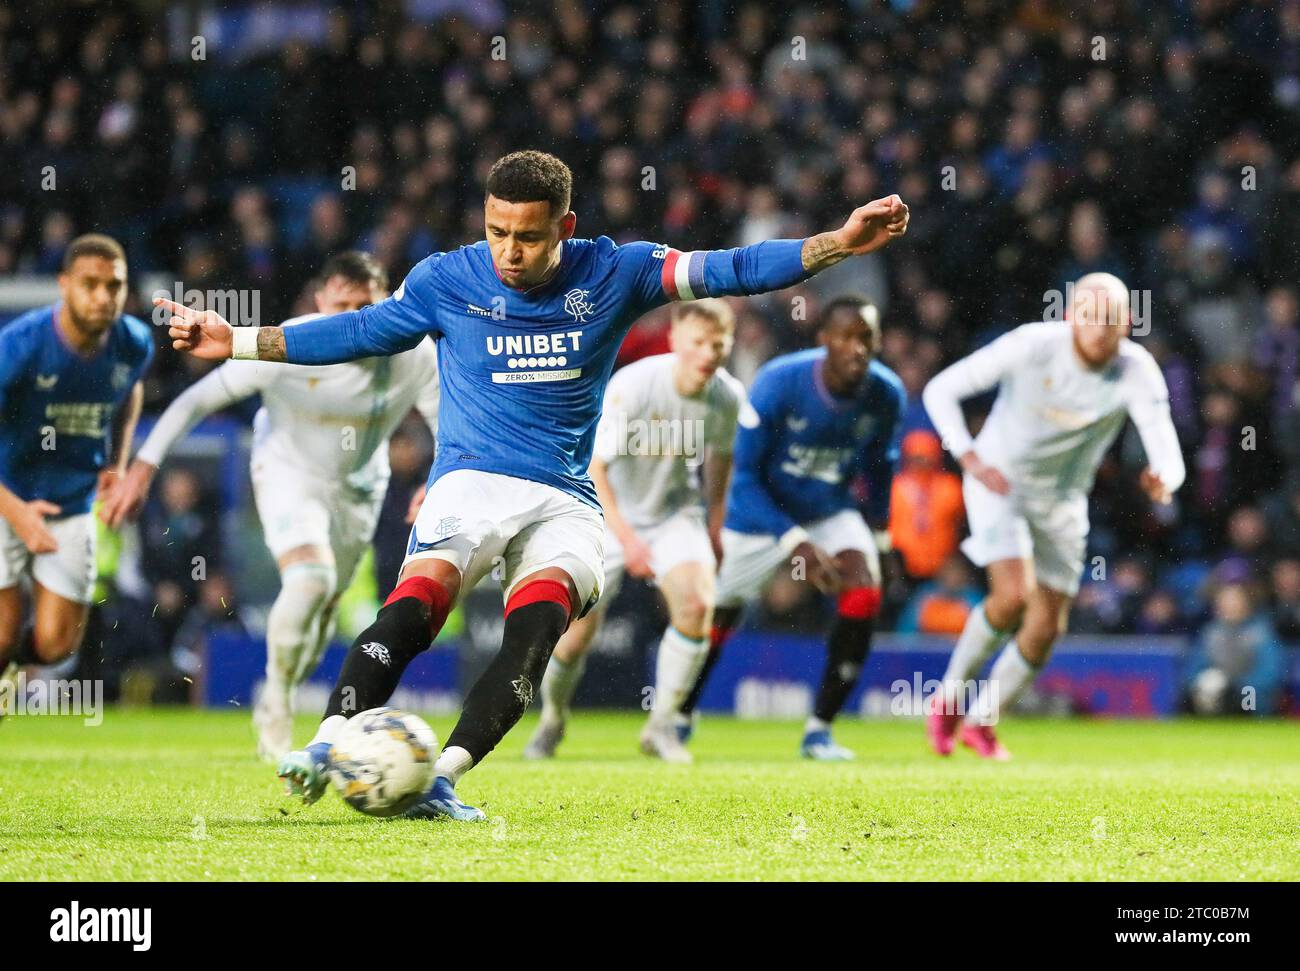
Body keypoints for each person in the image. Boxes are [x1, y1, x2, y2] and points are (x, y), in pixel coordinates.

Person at [160, 150, 909, 820]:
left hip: (565, 498)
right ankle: (326, 741)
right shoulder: (446, 279)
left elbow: (733, 268)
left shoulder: (619, 270)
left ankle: (444, 775)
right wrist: (241, 338)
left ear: (565, 225)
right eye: (497, 232)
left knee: (534, 634)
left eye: (528, 235)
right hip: (469, 480)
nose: (509, 253)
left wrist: (836, 244)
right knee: (417, 606)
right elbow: (362, 331)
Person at [101, 252, 439, 760]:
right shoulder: (291, 343)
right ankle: (277, 700)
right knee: (310, 580)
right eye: (340, 304)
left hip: (360, 487)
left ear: (385, 303)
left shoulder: (414, 354)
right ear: (320, 301)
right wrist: (144, 466)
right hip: (288, 473)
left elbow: (448, 427)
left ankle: (290, 676)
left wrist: (435, 481)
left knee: (325, 613)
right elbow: (197, 400)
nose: (351, 317)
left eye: (363, 306)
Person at [922, 273, 1186, 759]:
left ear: (1128, 322)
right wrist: (968, 457)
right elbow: (940, 390)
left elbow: (1163, 442)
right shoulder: (1032, 346)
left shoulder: (1137, 370)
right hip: (997, 482)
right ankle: (947, 700)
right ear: (1070, 317)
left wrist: (1165, 477)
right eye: (1090, 316)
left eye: (1111, 318)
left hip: (1063, 501)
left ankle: (983, 722)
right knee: (1012, 597)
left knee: (1046, 628)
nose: (1100, 328)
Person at [677, 297, 905, 760]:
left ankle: (819, 731)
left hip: (828, 511)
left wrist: (880, 539)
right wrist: (793, 541)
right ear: (823, 340)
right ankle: (679, 713)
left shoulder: (887, 394)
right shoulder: (779, 383)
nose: (857, 348)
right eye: (846, 336)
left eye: (867, 338)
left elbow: (881, 469)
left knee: (865, 589)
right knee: (716, 613)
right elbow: (745, 476)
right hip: (760, 514)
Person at [523, 298, 745, 764]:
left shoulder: (726, 396)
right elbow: (597, 471)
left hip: (673, 514)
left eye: (717, 345)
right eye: (699, 342)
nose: (708, 353)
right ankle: (553, 719)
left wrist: (716, 521)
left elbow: (721, 457)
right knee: (577, 635)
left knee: (698, 604)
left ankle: (661, 727)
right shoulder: (635, 386)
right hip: (606, 512)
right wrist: (628, 541)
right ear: (676, 340)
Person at [0, 234, 152, 714]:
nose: (104, 297)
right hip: (8, 497)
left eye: (115, 286)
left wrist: (118, 461)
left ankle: (7, 673)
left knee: (56, 644)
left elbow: (131, 391)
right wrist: (17, 513)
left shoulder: (133, 343)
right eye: (91, 285)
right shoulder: (20, 347)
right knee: (1, 633)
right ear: (64, 285)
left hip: (72, 503)